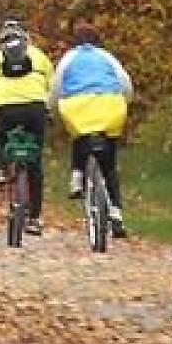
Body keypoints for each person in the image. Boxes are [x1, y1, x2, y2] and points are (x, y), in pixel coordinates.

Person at [51, 21, 135, 237]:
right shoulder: (107, 57)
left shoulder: (69, 58)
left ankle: (77, 175)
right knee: (110, 163)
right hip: (110, 104)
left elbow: (56, 87)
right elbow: (125, 83)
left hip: (77, 106)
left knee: (79, 134)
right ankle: (116, 214)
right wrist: (125, 101)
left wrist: (51, 109)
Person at [0, 17, 53, 235]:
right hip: (35, 107)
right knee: (35, 161)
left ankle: (0, 169)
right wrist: (50, 109)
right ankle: (35, 219)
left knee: (1, 135)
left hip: (4, 108)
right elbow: (52, 83)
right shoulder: (38, 55)